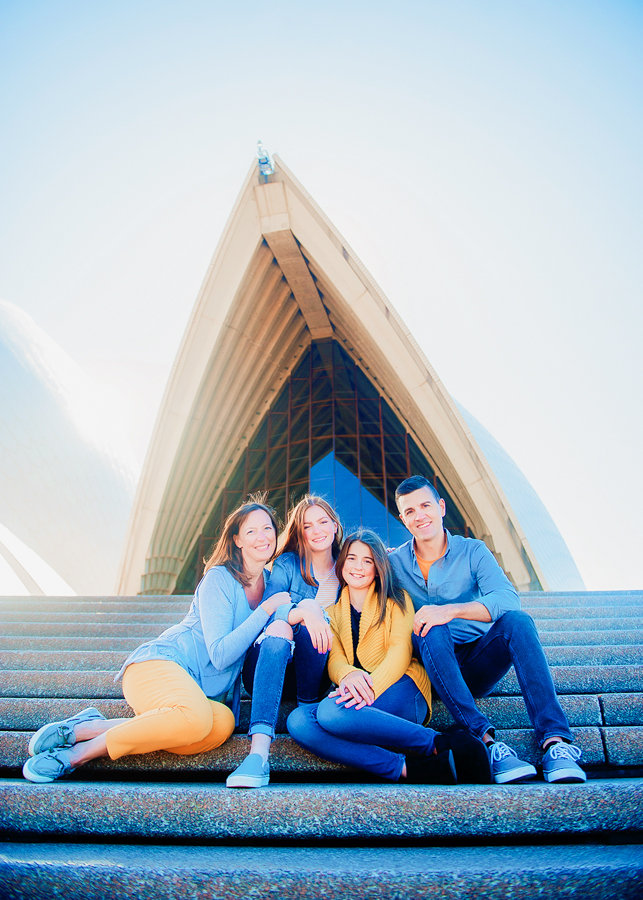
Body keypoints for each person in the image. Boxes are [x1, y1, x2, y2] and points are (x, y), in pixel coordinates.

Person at [23, 499, 289, 783]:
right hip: (158, 665)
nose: (262, 537)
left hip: (198, 695)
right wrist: (266, 609)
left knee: (222, 723)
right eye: (251, 531)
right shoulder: (219, 578)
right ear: (236, 540)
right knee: (197, 719)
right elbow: (221, 654)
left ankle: (87, 727)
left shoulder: (273, 584)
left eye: (267, 528)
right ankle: (77, 754)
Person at [388, 475, 586, 784]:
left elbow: (507, 599)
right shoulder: (394, 563)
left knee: (518, 623)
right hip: (431, 668)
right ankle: (486, 742)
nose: (419, 515)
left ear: (441, 507)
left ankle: (555, 743)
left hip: (475, 663)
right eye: (410, 511)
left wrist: (450, 610)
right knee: (430, 628)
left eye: (425, 505)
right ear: (402, 518)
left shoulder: (473, 551)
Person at [287, 529, 491, 783]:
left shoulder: (396, 600)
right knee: (298, 721)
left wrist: (369, 689)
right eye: (351, 558)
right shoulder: (332, 612)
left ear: (378, 567)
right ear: (341, 564)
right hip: (358, 702)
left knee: (331, 712)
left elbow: (400, 652)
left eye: (368, 560)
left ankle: (437, 742)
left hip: (403, 688)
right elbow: (335, 659)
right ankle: (408, 769)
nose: (358, 567)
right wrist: (348, 675)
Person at [226, 495, 342, 788]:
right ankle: (258, 754)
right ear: (300, 533)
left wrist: (315, 616)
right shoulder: (289, 563)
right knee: (281, 629)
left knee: (311, 632)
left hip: (314, 675)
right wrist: (307, 610)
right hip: (269, 662)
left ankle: (307, 716)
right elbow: (273, 608)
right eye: (307, 526)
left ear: (335, 525)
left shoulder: (348, 566)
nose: (317, 531)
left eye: (323, 522)